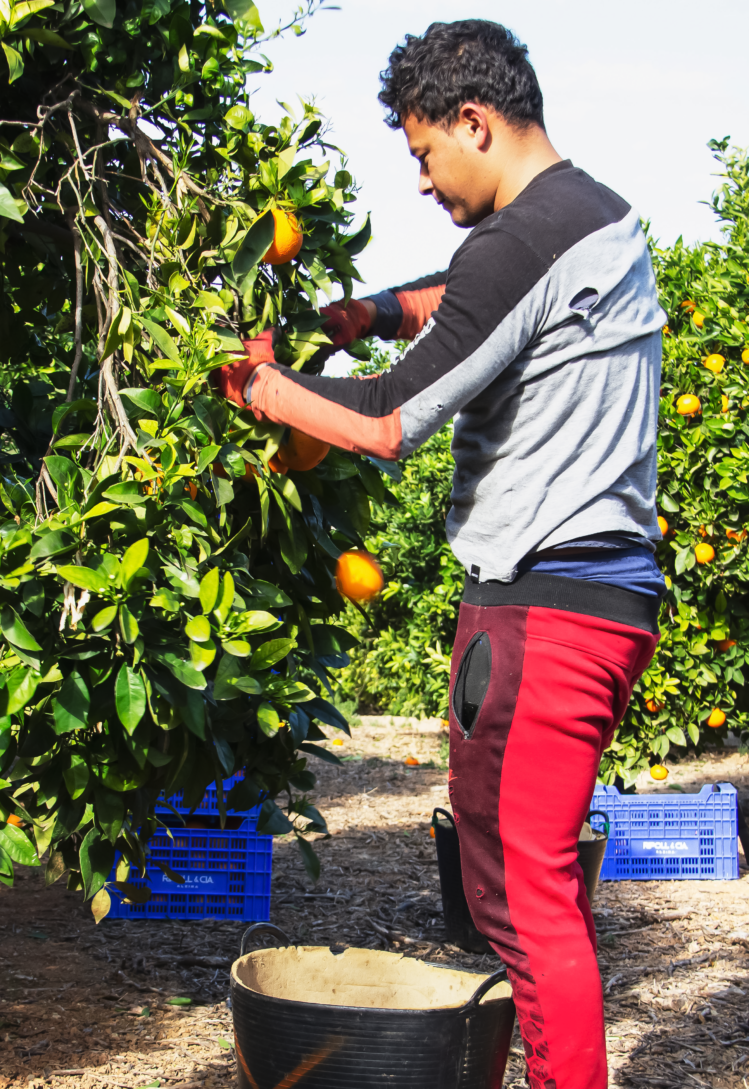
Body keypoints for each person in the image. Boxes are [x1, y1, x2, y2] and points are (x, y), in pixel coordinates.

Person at [215, 19, 666, 1089]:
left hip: (546, 613)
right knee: (517, 883)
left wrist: (253, 384)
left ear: (473, 121)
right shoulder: (587, 216)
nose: (418, 179)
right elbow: (467, 302)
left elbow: (381, 421)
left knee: (520, 896)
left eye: (423, 152)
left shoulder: (524, 239)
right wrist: (366, 310)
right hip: (586, 599)